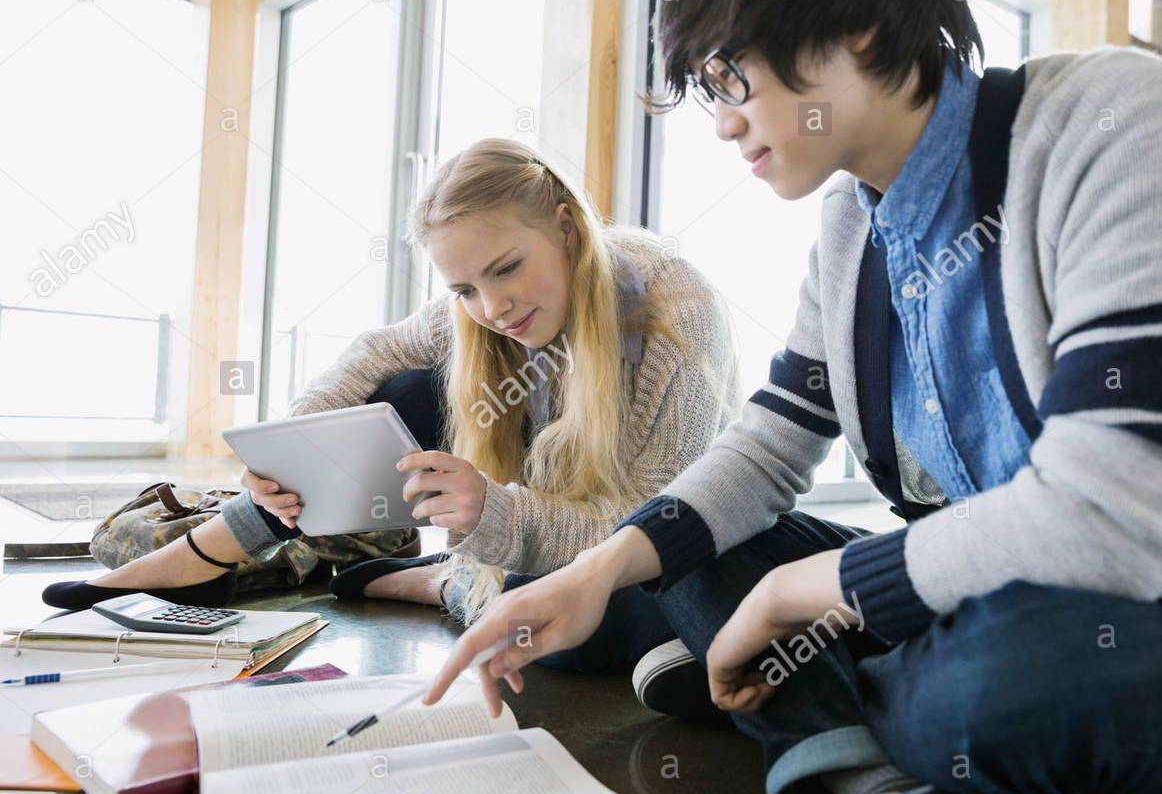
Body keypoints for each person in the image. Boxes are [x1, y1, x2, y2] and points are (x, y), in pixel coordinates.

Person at [420, 0, 1162, 794]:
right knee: (686, 545)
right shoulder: (851, 227)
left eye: (732, 77)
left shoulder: (1120, 122)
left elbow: (1108, 518)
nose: (723, 121)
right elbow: (768, 445)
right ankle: (861, 781)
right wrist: (596, 573)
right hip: (990, 595)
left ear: (859, 26)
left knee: (991, 678)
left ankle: (839, 694)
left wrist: (792, 597)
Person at [46, 137, 739, 675]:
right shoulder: (481, 312)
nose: (492, 308)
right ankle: (216, 551)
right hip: (545, 510)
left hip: (640, 534)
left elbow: (651, 527)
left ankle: (444, 583)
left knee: (554, 627)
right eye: (464, 287)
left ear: (566, 228)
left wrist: (498, 516)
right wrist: (292, 441)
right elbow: (375, 350)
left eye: (505, 269)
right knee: (400, 392)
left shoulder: (675, 313)